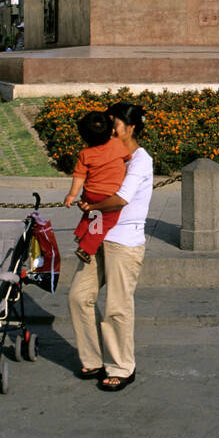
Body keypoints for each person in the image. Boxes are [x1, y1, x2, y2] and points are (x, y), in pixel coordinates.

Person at [68, 103, 153, 391]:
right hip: (96, 234)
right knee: (79, 297)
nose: (109, 127)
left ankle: (121, 366)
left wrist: (91, 204)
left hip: (124, 241)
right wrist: (83, 199)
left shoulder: (141, 160)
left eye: (114, 122)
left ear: (130, 127)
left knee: (117, 306)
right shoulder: (105, 148)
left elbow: (120, 198)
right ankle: (93, 360)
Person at [63, 109, 130, 263]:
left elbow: (79, 175)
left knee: (91, 211)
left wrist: (72, 195)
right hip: (107, 195)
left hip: (90, 193)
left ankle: (81, 233)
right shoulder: (118, 145)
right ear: (111, 130)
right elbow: (128, 157)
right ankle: (86, 248)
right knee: (106, 220)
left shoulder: (85, 154)